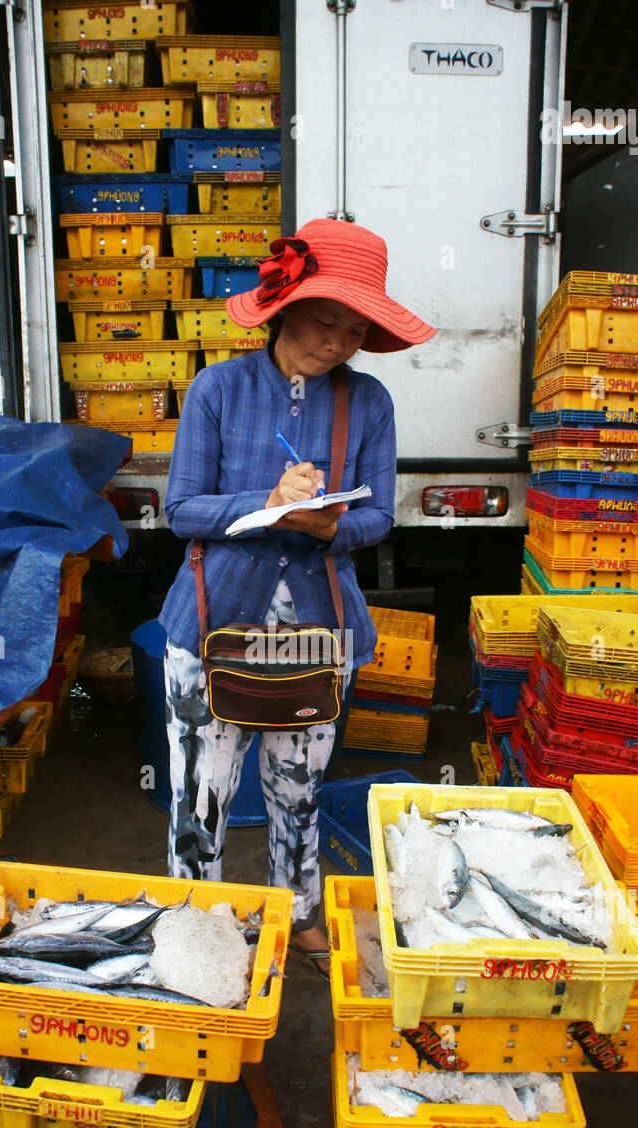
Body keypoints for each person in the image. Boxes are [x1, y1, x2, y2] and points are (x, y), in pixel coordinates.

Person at [158, 218, 435, 977]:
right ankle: (197, 925)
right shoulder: (217, 388)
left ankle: (299, 911)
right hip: (212, 625)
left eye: (354, 330)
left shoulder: (368, 403)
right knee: (200, 793)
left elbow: (379, 516)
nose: (337, 343)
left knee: (299, 787)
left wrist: (326, 527)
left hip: (319, 631)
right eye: (323, 323)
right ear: (283, 310)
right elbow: (180, 510)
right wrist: (264, 501)